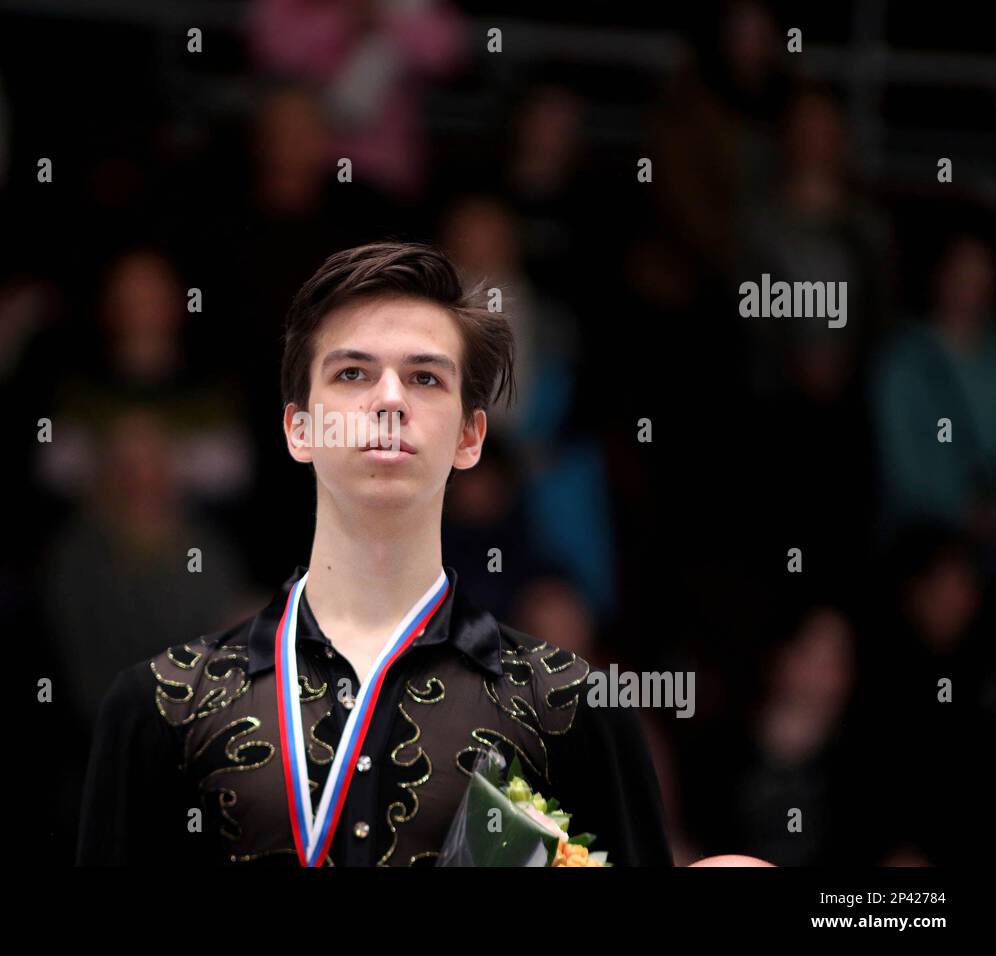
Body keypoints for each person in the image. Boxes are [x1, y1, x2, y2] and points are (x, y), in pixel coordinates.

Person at [76, 242, 673, 867]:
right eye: (353, 374)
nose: (390, 400)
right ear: (298, 429)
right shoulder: (161, 706)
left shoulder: (574, 710)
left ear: (470, 435)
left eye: (425, 377)